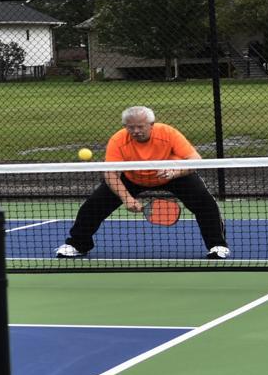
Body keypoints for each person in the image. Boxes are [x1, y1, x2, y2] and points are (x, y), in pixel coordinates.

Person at [56, 106, 229, 260]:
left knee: (205, 204)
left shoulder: (168, 133)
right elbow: (110, 173)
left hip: (171, 175)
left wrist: (175, 172)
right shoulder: (118, 140)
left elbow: (195, 160)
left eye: (141, 126)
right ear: (125, 127)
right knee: (92, 207)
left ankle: (217, 245)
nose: (136, 131)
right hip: (133, 177)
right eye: (131, 127)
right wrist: (127, 199)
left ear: (151, 124)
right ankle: (77, 245)